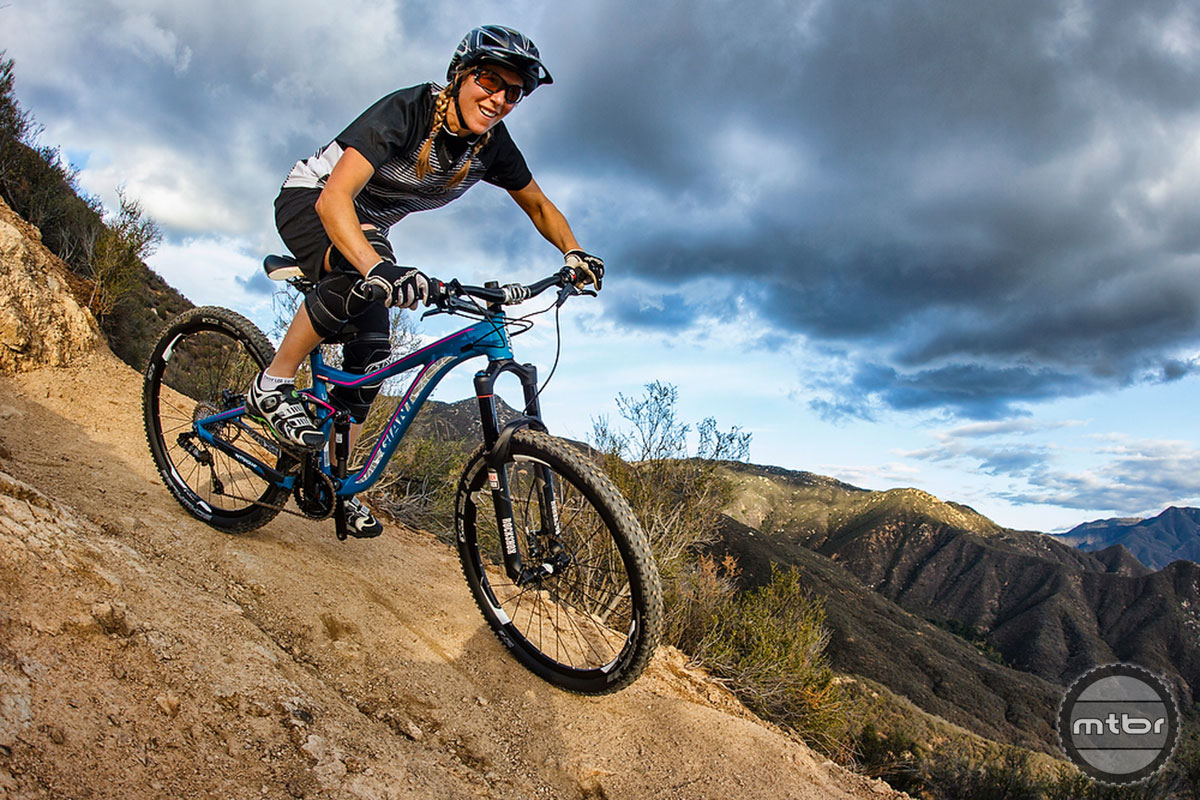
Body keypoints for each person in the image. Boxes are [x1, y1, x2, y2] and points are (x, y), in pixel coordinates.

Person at [246, 25, 603, 537]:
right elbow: (334, 200)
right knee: (358, 275)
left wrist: (573, 251)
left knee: (371, 354)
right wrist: (376, 267)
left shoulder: (491, 146)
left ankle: (337, 479)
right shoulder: (408, 111)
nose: (499, 98)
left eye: (513, 92)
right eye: (489, 80)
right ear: (459, 74)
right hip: (316, 198)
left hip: (368, 224)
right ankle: (272, 384)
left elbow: (539, 206)